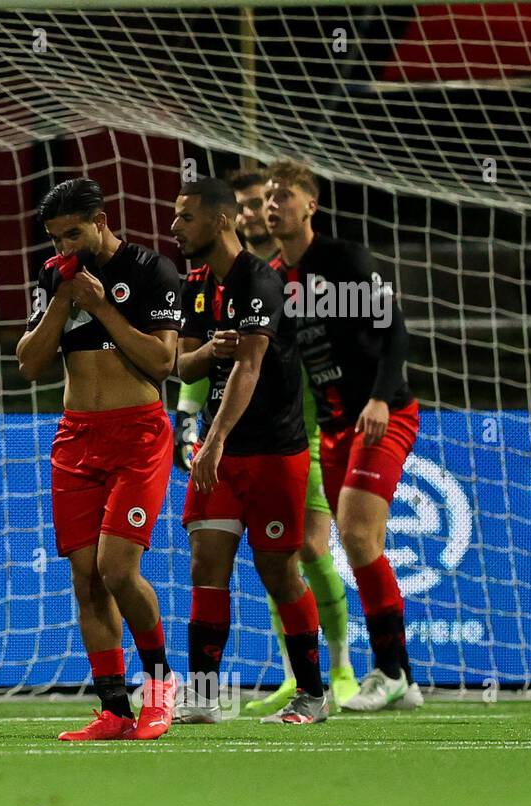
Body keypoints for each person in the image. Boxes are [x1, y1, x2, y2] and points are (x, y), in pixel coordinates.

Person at [15, 177, 180, 741]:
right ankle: (115, 709)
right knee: (86, 581)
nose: (65, 248)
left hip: (138, 438)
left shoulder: (151, 269)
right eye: (57, 238)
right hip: (77, 439)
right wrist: (63, 299)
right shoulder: (54, 277)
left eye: (74, 234)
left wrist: (101, 307)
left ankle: (160, 688)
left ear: (102, 220)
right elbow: (30, 363)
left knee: (117, 569)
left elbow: (161, 362)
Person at [264, 160, 422, 711]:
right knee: (359, 548)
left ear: (311, 204)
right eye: (266, 197)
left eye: (283, 194)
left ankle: (389, 670)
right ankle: (402, 676)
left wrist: (381, 395)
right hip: (330, 429)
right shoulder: (276, 279)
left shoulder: (343, 260)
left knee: (356, 536)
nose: (271, 204)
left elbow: (395, 328)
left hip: (383, 413)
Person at [171, 176, 328, 725]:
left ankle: (312, 693)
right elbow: (182, 363)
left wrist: (212, 440)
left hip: (270, 451)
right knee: (204, 565)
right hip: (220, 451)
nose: (175, 226)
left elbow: (250, 365)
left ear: (220, 221)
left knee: (277, 572)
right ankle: (204, 696)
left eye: (185, 217)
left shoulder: (259, 282)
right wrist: (206, 349)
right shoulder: (194, 285)